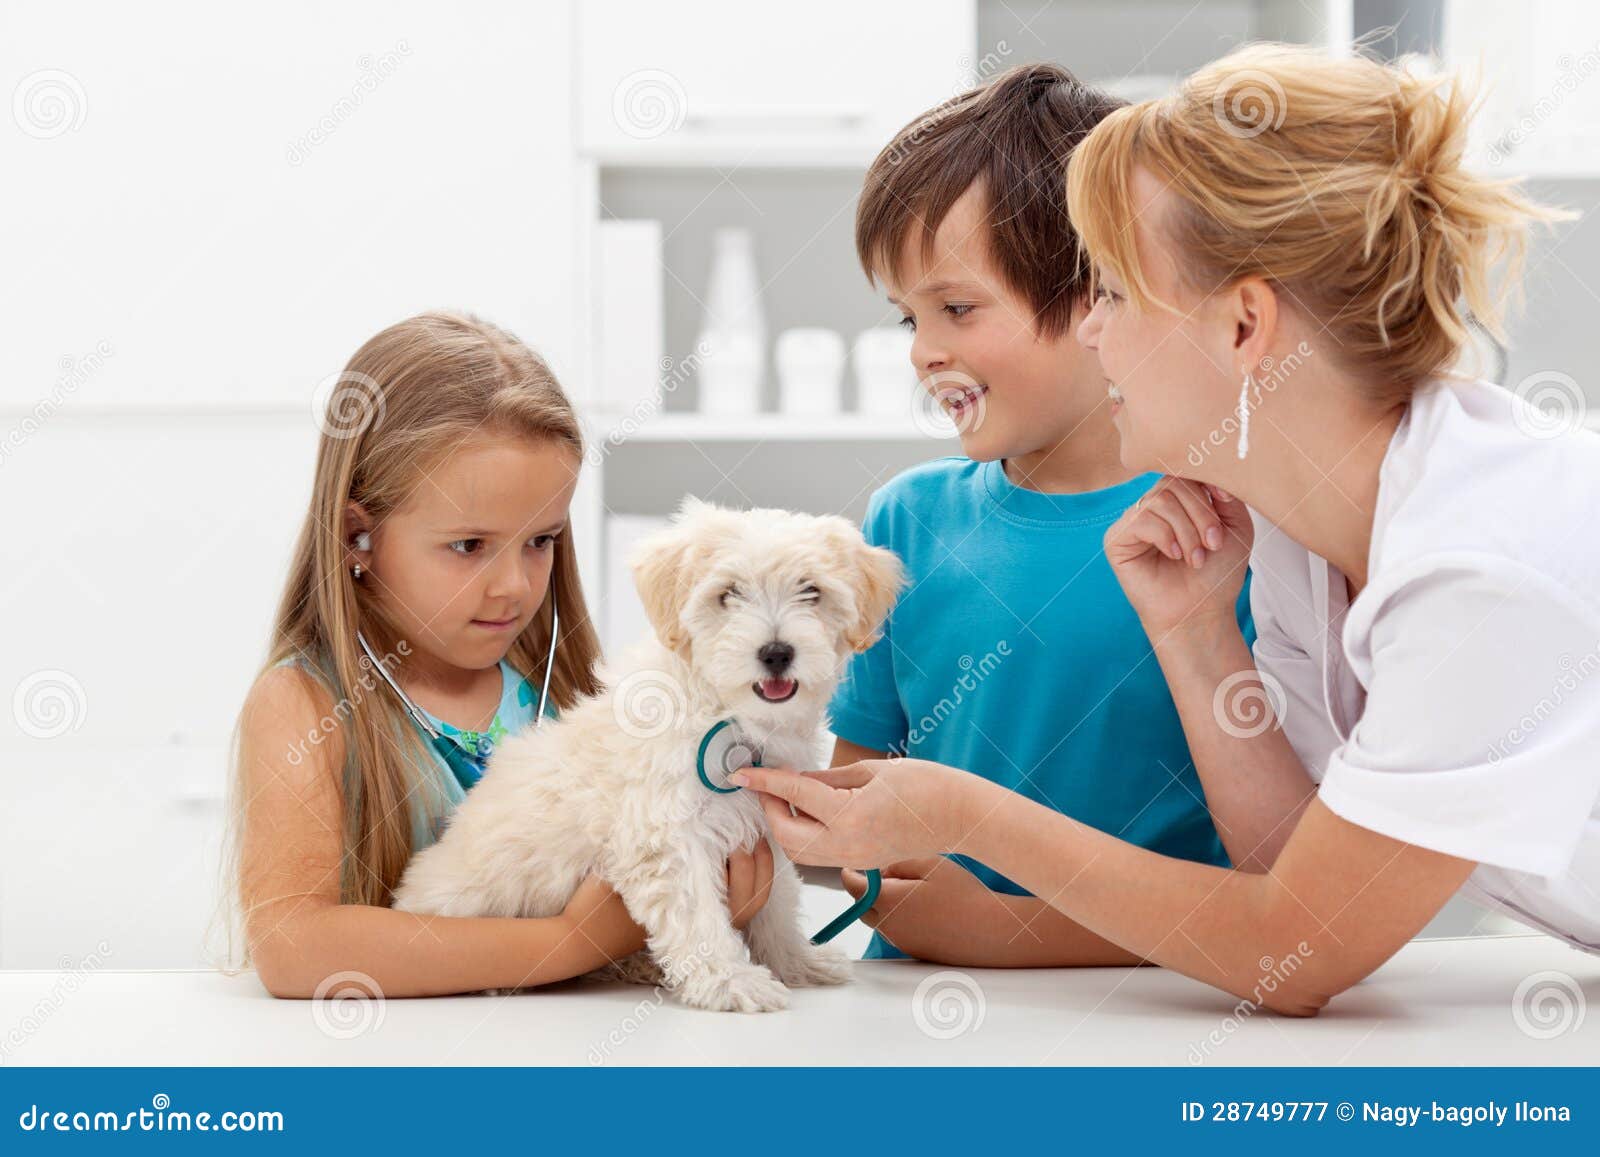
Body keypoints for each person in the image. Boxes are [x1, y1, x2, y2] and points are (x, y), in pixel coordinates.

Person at [738, 43, 1600, 1014]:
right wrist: (1194, 627)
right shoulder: (1291, 532)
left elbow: (1299, 948)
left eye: (1107, 289)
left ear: (1241, 329)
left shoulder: (1482, 563)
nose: (1091, 328)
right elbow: (1290, 877)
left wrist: (966, 814)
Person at [828, 62, 1254, 966]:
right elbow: (855, 812)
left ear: (1099, 292)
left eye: (955, 308)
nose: (925, 353)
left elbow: (1268, 900)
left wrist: (1001, 932)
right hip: (909, 1020)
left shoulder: (1220, 536)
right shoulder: (906, 523)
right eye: (908, 320)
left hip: (1159, 1023)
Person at [217, 311, 771, 997]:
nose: (513, 585)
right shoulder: (303, 705)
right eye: (468, 546)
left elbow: (640, 921)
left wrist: (712, 913)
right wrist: (570, 941)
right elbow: (295, 949)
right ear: (359, 536)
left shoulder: (565, 692)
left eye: (540, 541)